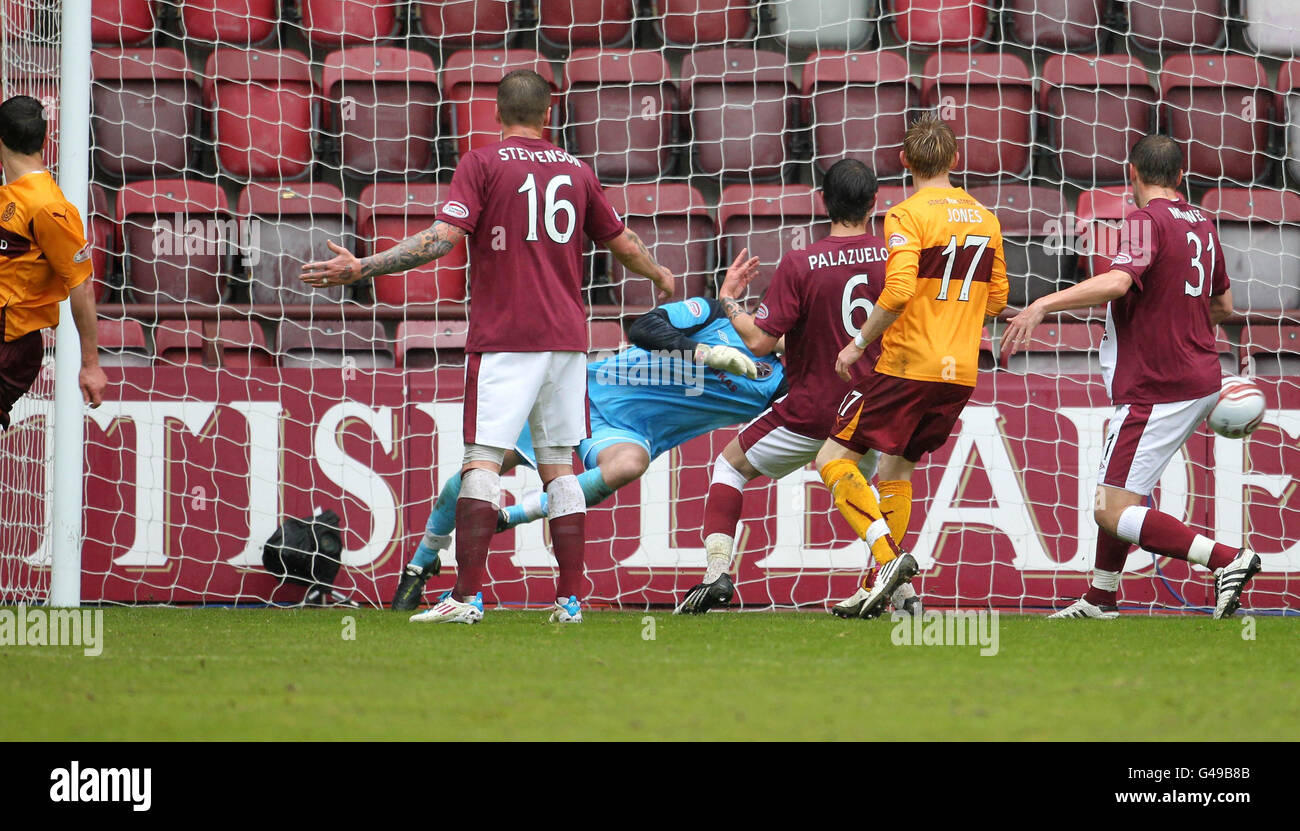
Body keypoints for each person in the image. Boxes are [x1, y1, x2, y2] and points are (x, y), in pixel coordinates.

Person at [301, 70, 674, 624]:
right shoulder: (577, 170)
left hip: (507, 337)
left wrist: (364, 266)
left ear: (496, 114)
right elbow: (622, 242)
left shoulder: (481, 163)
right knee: (559, 467)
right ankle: (570, 601)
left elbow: (441, 240)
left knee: (481, 462)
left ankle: (466, 597)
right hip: (568, 342)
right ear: (548, 115)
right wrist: (660, 274)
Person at [392, 274, 786, 615]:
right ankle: (422, 561)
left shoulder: (781, 384)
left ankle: (510, 516)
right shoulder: (713, 314)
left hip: (629, 432)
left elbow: (797, 422)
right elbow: (644, 328)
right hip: (583, 393)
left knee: (629, 464)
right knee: (477, 475)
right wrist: (706, 352)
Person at [1002, 134, 1260, 619]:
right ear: (1180, 176)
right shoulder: (1202, 222)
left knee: (1109, 507)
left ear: (1132, 173)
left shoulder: (1144, 219)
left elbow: (1119, 281)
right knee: (1121, 489)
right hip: (1200, 377)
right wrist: (1176, 320)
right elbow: (1223, 305)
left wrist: (1042, 303)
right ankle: (1101, 597)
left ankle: (1227, 560)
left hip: (1157, 388)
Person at [675, 158, 904, 615]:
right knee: (871, 492)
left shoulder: (801, 263)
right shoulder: (894, 261)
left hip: (811, 410)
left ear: (823, 202)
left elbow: (760, 341)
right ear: (875, 202)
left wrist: (728, 300)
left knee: (729, 468)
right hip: (871, 407)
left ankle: (717, 574)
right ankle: (903, 594)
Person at [815, 115, 1008, 620]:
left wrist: (857, 343)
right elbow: (996, 300)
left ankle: (886, 558)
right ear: (956, 160)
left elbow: (900, 290)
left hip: (907, 364)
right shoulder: (986, 218)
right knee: (897, 468)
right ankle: (878, 587)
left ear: (904, 161)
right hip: (959, 372)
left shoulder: (905, 214)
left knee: (832, 459)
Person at [0, 95, 106, 430]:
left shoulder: (47, 207)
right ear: (46, 139)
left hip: (10, 343)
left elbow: (82, 284)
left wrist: (91, 365)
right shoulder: (11, 195)